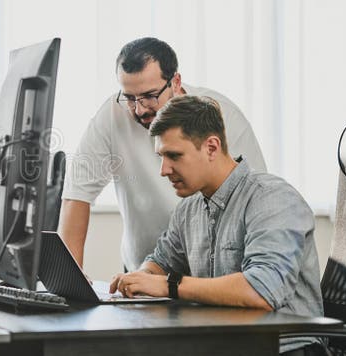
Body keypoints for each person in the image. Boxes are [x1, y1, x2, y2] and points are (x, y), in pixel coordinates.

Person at [109, 95, 323, 355]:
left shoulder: (271, 198)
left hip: (285, 349)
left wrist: (169, 285)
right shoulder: (189, 209)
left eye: (174, 155)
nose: (163, 170)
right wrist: (139, 280)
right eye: (161, 157)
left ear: (211, 147)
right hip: (224, 345)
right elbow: (160, 262)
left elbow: (262, 291)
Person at [60, 37, 267, 272]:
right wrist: (70, 279)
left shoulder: (221, 116)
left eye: (149, 96)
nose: (139, 109)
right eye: (129, 97)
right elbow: (77, 193)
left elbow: (254, 198)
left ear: (175, 82)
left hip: (211, 276)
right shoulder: (111, 114)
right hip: (146, 269)